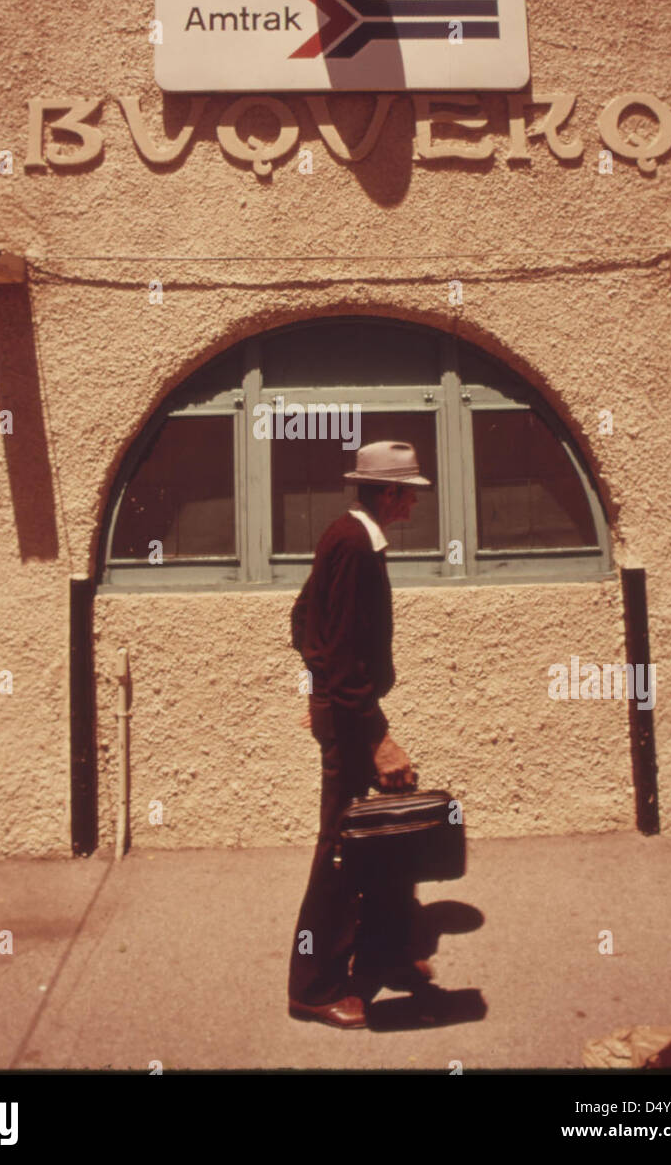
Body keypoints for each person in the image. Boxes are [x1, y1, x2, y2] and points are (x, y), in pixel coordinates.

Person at [287, 440, 433, 1029]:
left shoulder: (351, 539)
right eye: (411, 492)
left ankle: (387, 948)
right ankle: (314, 986)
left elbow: (303, 621)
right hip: (353, 719)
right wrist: (371, 732)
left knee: (388, 829)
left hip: (345, 708)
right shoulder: (352, 544)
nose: (416, 503)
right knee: (342, 849)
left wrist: (323, 690)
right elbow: (340, 649)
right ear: (390, 493)